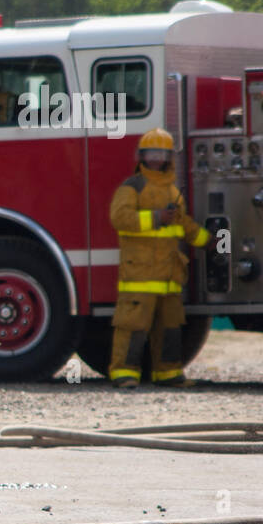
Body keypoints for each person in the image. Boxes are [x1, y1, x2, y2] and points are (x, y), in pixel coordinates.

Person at [107, 128, 212, 388]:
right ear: (141, 156)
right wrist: (156, 217)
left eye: (160, 153)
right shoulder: (133, 186)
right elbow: (120, 218)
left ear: (168, 156)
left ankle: (168, 374)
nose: (155, 159)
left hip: (169, 277)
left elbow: (183, 225)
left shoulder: (173, 191)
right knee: (133, 326)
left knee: (170, 327)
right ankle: (123, 374)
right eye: (150, 153)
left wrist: (212, 242)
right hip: (140, 275)